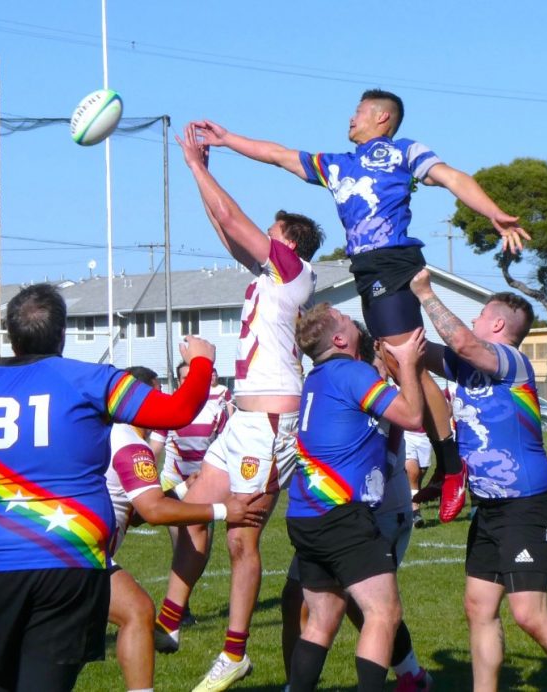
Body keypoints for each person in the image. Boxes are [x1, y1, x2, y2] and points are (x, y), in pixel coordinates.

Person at [190, 90, 531, 523]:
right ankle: (455, 422)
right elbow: (277, 155)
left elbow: (453, 177)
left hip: (393, 261)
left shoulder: (404, 152)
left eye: (357, 112)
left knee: (406, 355)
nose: (350, 119)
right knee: (398, 356)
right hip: (367, 270)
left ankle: (450, 463)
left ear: (382, 117)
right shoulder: (337, 164)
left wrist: (493, 212)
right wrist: (227, 139)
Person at [0, 283, 218, 692]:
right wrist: (202, 362)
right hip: (70, 570)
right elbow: (178, 410)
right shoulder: (93, 380)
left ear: (11, 336)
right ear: (62, 335)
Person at [154, 123, 324, 692]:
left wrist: (198, 164)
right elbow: (223, 226)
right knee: (193, 515)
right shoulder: (267, 276)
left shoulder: (295, 272)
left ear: (287, 243)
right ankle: (170, 623)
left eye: (271, 231)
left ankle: (234, 652)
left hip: (272, 423)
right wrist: (202, 172)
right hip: (242, 422)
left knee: (240, 537)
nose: (261, 236)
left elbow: (233, 222)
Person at [408, 268, 547, 692]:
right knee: (478, 607)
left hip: (529, 503)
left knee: (529, 614)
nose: (475, 322)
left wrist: (425, 293)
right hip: (491, 507)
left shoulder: (513, 363)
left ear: (497, 324)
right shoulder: (463, 368)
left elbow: (462, 341)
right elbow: (414, 350)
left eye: (481, 315)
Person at [281, 323, 432, 692]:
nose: (354, 321)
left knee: (323, 617)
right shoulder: (351, 371)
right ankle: (405, 679)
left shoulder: (317, 377)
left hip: (306, 513)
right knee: (383, 613)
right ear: (339, 339)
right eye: (344, 319)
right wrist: (409, 363)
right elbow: (413, 417)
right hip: (341, 516)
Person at [106, 365, 264, 692]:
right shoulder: (128, 443)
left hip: (74, 552)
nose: (159, 400)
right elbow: (152, 512)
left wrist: (181, 490)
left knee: (134, 615)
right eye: (154, 394)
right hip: (77, 556)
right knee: (136, 613)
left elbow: (134, 512)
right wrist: (223, 509)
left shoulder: (113, 434)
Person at [150, 364, 232, 625]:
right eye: (185, 377)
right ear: (179, 380)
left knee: (202, 553)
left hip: (206, 487)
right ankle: (179, 612)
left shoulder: (218, 410)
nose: (191, 381)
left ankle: (180, 606)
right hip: (175, 487)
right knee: (184, 548)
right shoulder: (172, 407)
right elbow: (155, 447)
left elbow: (226, 446)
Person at [404, 428, 433, 528]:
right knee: (413, 473)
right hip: (406, 432)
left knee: (420, 473)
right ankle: (415, 513)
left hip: (426, 435)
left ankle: (411, 500)